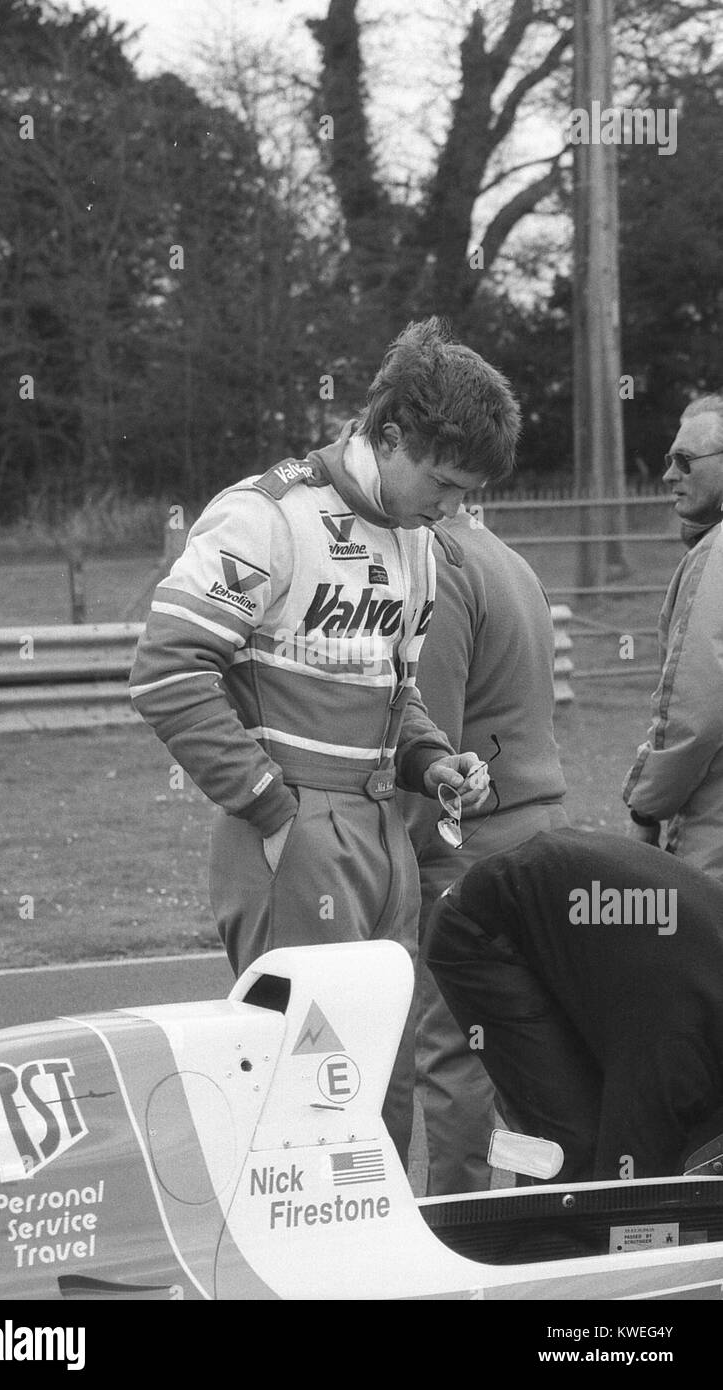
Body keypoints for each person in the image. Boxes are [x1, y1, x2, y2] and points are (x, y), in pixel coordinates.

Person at [129, 317, 520, 1164]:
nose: (453, 507)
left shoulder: (418, 541)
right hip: (293, 831)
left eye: (465, 492)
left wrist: (432, 760)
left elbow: (395, 691)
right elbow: (164, 670)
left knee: (381, 1091)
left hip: (385, 836)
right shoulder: (266, 515)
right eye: (444, 481)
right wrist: (271, 808)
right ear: (390, 436)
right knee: (304, 1098)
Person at [398, 511, 568, 1194]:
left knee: (454, 1053)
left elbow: (433, 740)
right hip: (540, 828)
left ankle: (456, 1225)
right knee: (529, 1048)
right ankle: (543, 1211)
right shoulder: (510, 559)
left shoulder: (439, 566)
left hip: (471, 842)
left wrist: (402, 860)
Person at [424, 828, 723, 1182]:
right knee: (573, 1146)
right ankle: (536, 1216)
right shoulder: (675, 1048)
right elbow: (628, 1173)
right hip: (481, 926)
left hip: (584, 916)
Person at [624, 395, 723, 881]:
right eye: (669, 460)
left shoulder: (716, 557)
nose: (668, 474)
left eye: (684, 460)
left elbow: (694, 713)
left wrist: (645, 808)